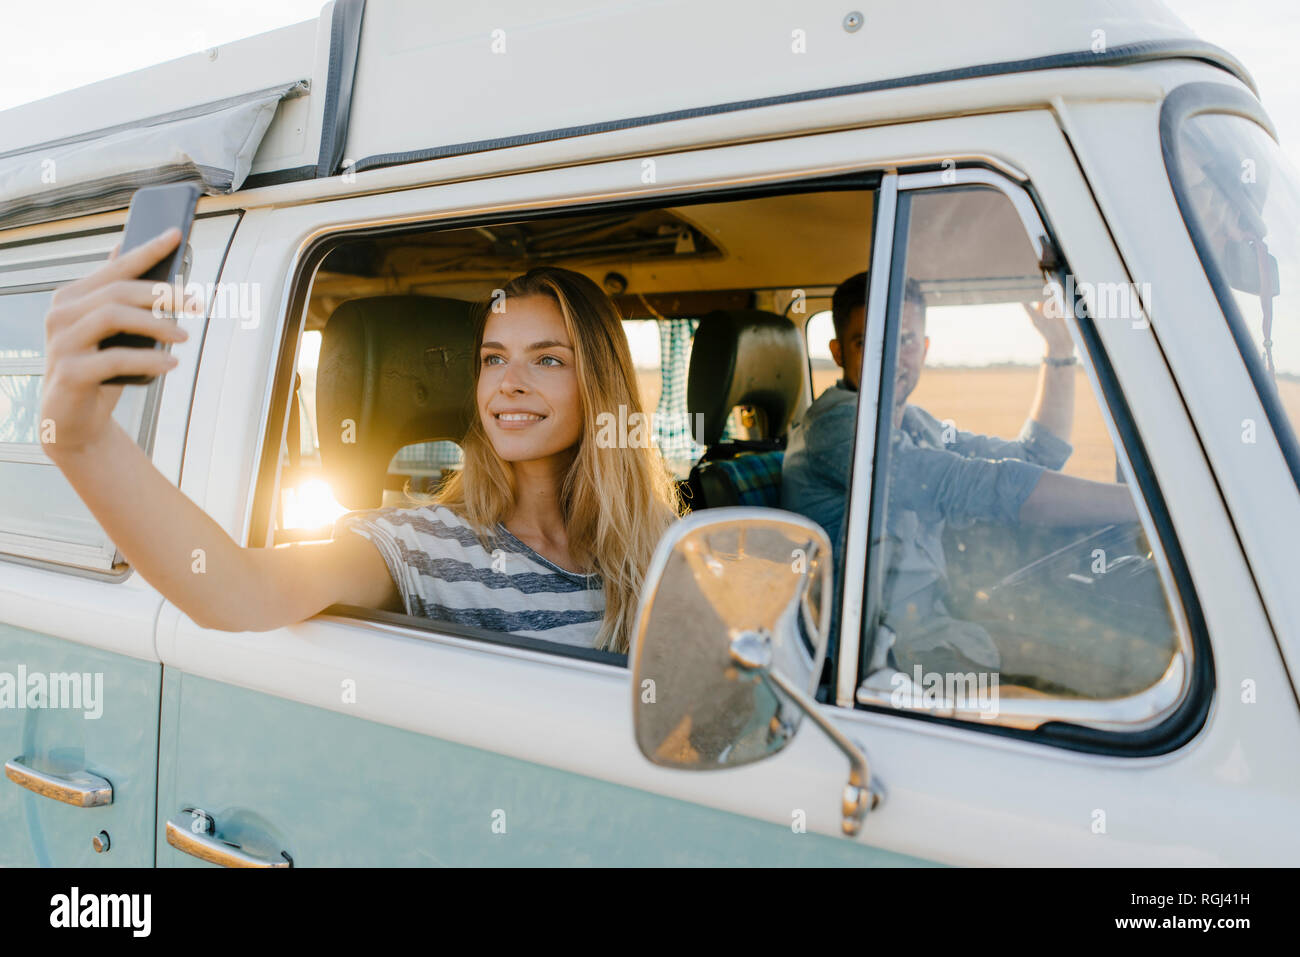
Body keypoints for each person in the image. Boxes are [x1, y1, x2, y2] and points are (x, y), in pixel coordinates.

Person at [39, 230, 680, 653]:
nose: (507, 385)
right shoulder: (422, 543)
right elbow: (235, 591)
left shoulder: (657, 541)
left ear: (600, 383)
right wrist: (84, 443)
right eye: (491, 359)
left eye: (546, 361)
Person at [783, 270, 1138, 673]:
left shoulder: (915, 424)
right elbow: (973, 485)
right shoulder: (834, 430)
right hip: (872, 659)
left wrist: (1058, 348)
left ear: (925, 347)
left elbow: (1035, 457)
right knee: (1088, 676)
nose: (891, 358)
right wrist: (1146, 506)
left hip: (933, 629)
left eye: (905, 340)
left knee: (1090, 652)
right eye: (868, 342)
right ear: (838, 353)